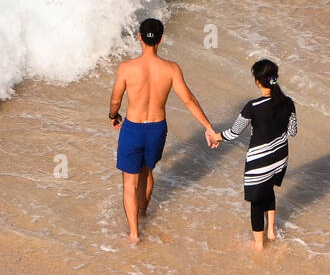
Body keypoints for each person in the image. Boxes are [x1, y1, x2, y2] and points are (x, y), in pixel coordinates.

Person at [109, 18, 221, 242]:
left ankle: (134, 234)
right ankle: (143, 213)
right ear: (161, 39)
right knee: (147, 173)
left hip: (133, 128)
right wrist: (208, 127)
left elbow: (115, 100)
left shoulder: (127, 68)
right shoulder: (170, 69)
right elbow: (189, 100)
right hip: (157, 129)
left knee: (129, 183)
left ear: (139, 37)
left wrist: (113, 116)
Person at [217, 59, 298, 252]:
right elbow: (293, 132)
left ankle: (259, 245)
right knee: (268, 188)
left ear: (257, 81)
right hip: (280, 156)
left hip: (260, 159)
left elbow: (234, 132)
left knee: (256, 200)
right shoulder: (288, 103)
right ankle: (271, 231)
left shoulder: (253, 106)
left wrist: (216, 136)